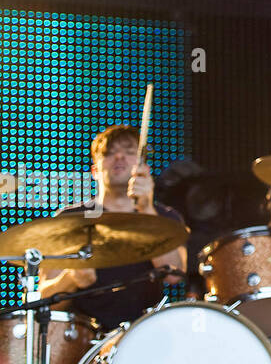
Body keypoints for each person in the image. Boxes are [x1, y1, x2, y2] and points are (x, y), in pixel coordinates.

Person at [38, 125, 188, 329]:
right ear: (95, 170)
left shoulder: (165, 217)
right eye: (109, 153)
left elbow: (174, 274)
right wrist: (71, 278)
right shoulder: (69, 220)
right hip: (87, 343)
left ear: (145, 167)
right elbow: (44, 299)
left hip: (147, 334)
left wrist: (146, 210)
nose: (119, 157)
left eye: (128, 151)